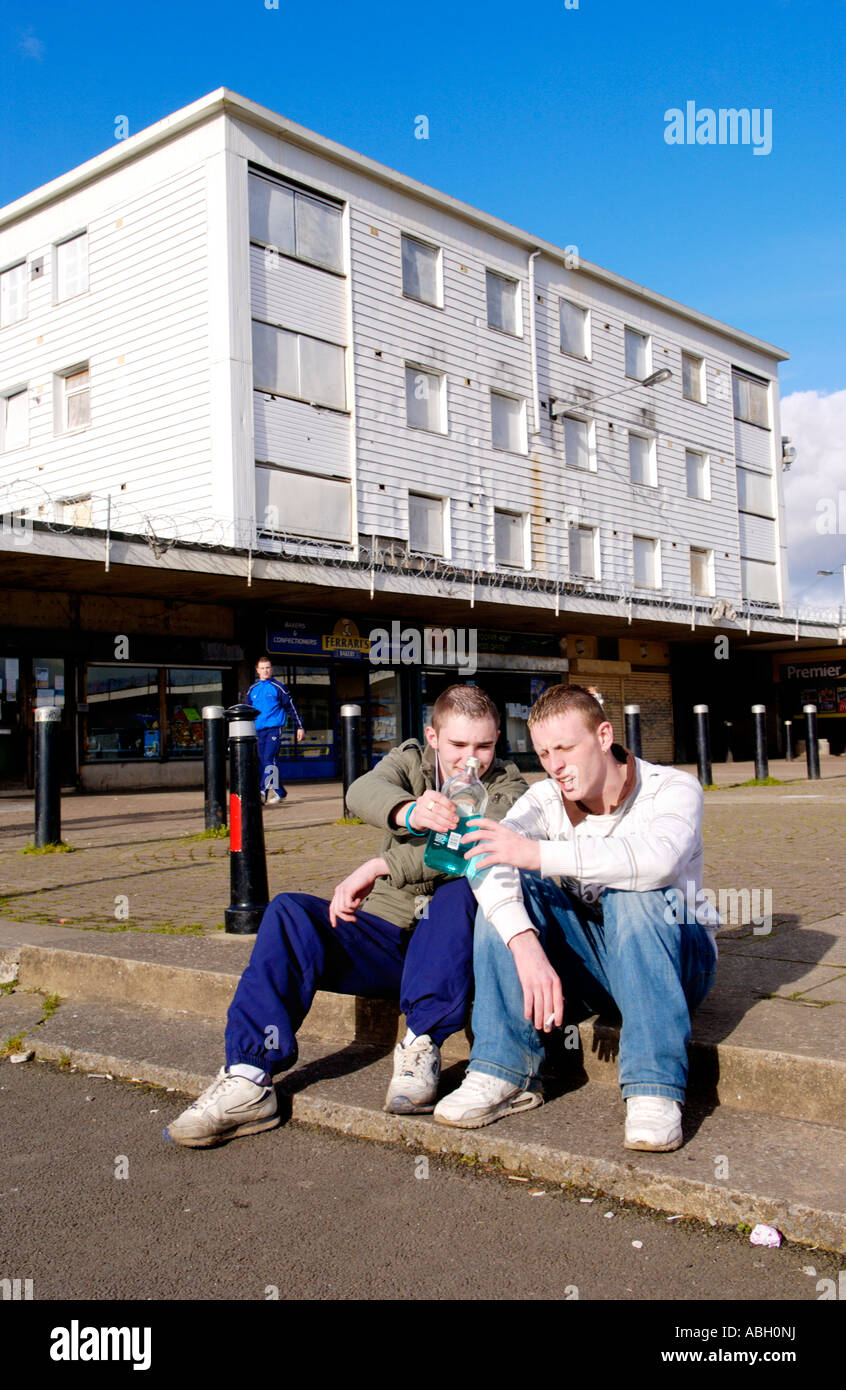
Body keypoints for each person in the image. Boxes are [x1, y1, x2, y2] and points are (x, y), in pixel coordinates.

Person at [164, 684, 528, 1147]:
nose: (470, 758)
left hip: (447, 946)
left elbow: (476, 850)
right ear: (433, 737)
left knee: (457, 895)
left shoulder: (509, 786)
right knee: (289, 912)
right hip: (386, 934)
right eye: (458, 745)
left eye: (484, 745)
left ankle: (420, 1045)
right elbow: (361, 791)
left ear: (498, 740)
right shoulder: (411, 759)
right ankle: (249, 1077)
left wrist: (383, 864)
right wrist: (407, 810)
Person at [432, 683, 718, 1152]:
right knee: (507, 885)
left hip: (677, 959)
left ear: (604, 736)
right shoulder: (544, 799)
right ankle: (501, 1072)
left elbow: (657, 861)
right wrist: (525, 946)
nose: (555, 766)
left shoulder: (672, 788)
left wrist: (538, 853)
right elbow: (485, 861)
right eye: (544, 753)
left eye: (565, 748)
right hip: (601, 962)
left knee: (634, 889)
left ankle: (654, 1087)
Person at [246, 657, 305, 805]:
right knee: (266, 762)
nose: (265, 670)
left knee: (268, 760)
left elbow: (292, 707)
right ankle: (280, 792)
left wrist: (300, 726)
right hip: (258, 731)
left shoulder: (279, 687)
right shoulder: (252, 689)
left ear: (271, 669)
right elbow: (246, 711)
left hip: (274, 729)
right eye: (263, 668)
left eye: (268, 667)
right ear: (257, 670)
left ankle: (262, 793)